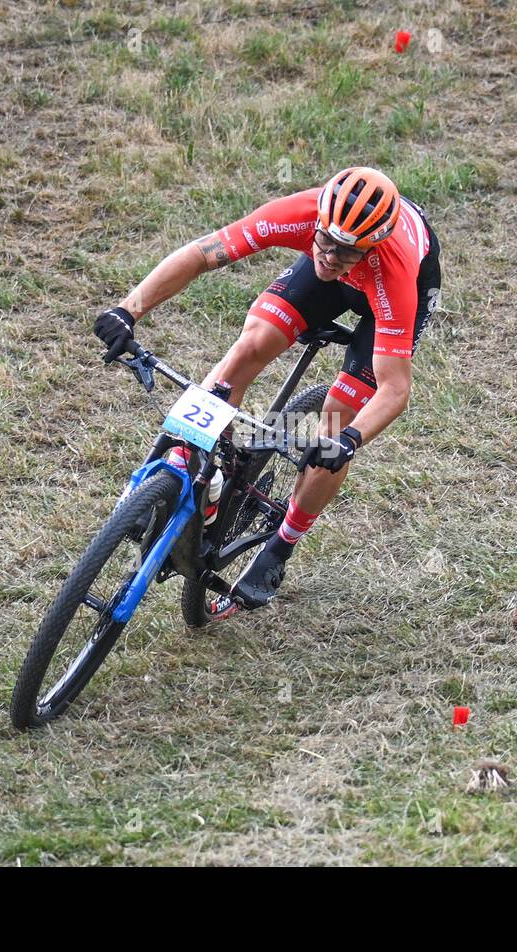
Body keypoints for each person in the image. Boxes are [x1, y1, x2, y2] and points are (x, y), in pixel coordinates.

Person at [93, 166, 442, 618]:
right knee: (249, 349)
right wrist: (127, 310)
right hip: (352, 266)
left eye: (347, 253)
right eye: (326, 243)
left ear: (371, 245)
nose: (332, 260)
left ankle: (281, 546)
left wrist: (349, 441)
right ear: (317, 222)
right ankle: (185, 458)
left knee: (338, 415)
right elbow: (202, 254)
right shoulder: (298, 213)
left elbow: (396, 389)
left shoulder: (392, 270)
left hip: (394, 293)